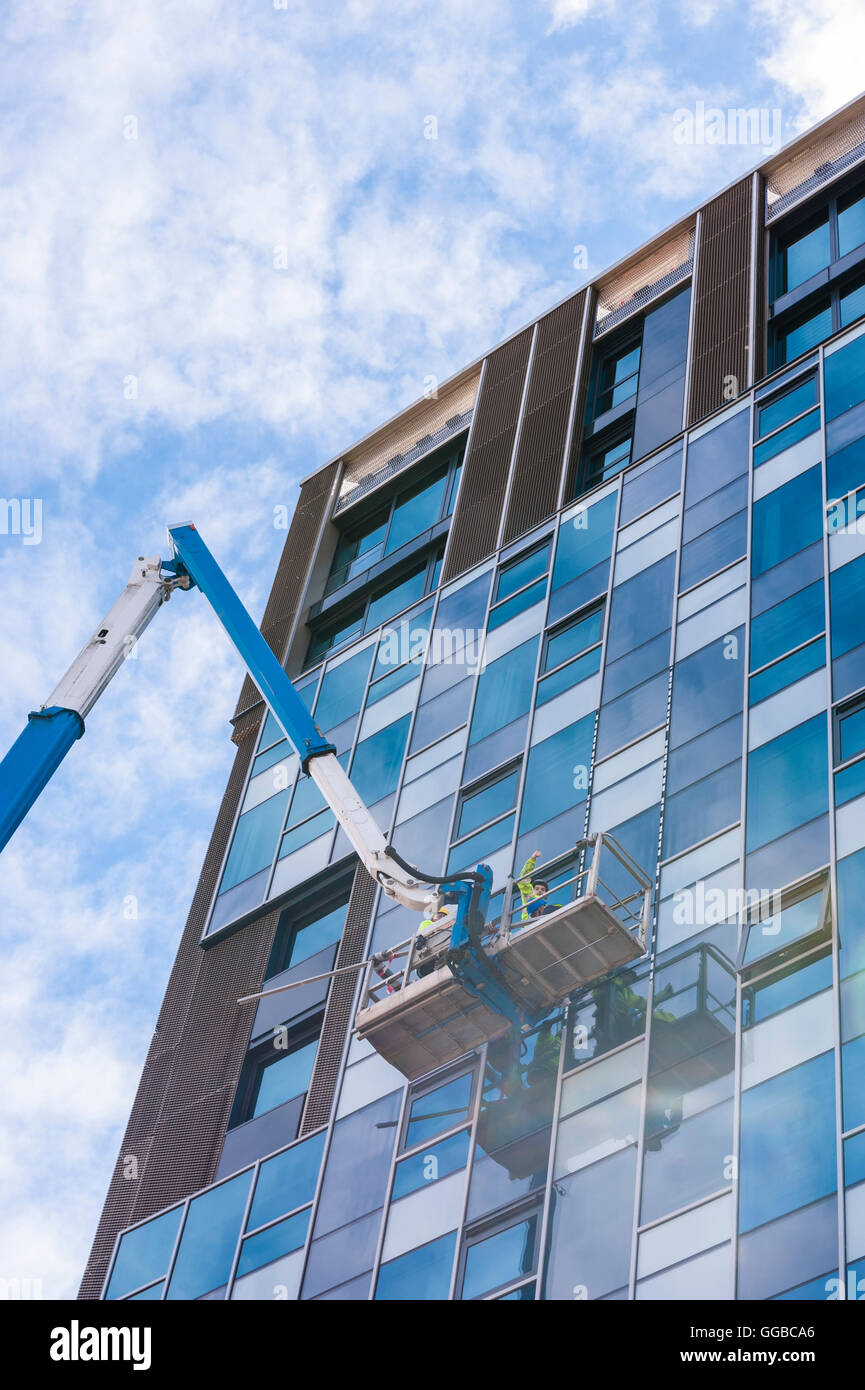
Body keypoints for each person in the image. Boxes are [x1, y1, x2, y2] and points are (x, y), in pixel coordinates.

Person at [516, 850, 559, 919]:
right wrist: (532, 859)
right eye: (537, 889)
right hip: (528, 926)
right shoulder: (529, 896)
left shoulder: (545, 908)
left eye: (542, 889)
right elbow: (522, 880)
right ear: (532, 890)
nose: (539, 891)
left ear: (546, 894)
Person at [414, 906, 450, 977]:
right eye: (440, 916)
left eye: (444, 917)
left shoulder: (447, 931)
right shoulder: (427, 923)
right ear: (433, 918)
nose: (442, 918)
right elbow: (424, 933)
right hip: (425, 962)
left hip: (436, 960)